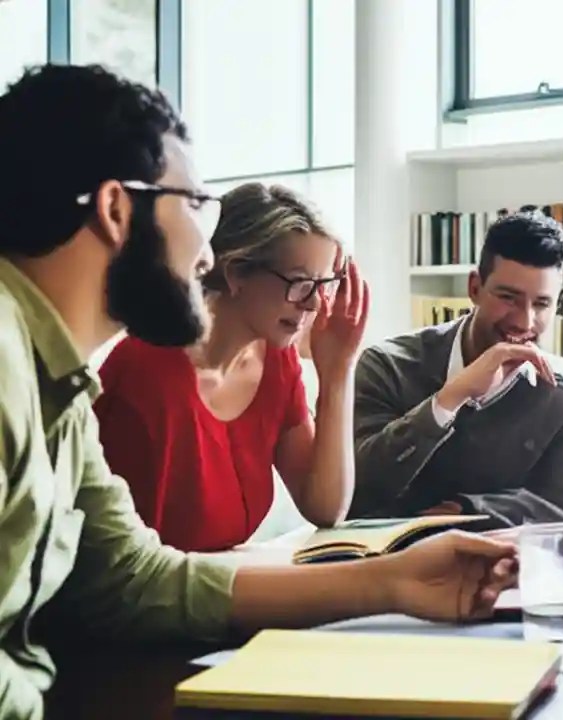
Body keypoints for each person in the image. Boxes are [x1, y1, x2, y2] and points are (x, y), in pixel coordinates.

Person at [0, 64, 516, 718]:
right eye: (196, 204)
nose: (210, 256)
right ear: (115, 209)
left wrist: (394, 581)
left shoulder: (56, 383)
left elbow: (135, 580)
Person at [93, 182, 361, 552]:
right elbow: (116, 557)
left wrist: (337, 374)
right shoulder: (145, 372)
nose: (314, 304)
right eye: (300, 283)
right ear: (235, 273)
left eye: (324, 284)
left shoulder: (277, 363)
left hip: (217, 586)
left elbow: (326, 508)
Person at [352, 211, 563, 527]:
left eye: (542, 304)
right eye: (508, 298)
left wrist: (470, 509)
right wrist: (449, 398)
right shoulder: (387, 365)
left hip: (505, 564)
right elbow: (359, 489)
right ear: (475, 287)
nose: (525, 321)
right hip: (386, 562)